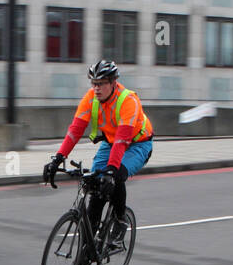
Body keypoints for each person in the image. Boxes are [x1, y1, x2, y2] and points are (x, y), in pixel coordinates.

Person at [43, 59, 154, 249]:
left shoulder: (129, 101)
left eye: (101, 84)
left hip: (137, 144)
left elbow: (122, 140)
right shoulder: (90, 99)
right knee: (94, 187)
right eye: (94, 83)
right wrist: (58, 158)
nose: (96, 88)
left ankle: (120, 221)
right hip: (111, 142)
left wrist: (110, 171)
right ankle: (87, 250)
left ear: (113, 83)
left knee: (115, 176)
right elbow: (75, 131)